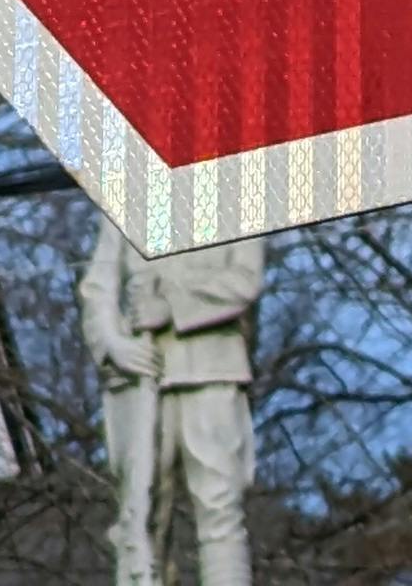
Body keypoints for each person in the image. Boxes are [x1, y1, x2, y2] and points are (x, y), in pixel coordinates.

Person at [80, 209, 266, 586]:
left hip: (212, 370)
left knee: (219, 508)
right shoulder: (128, 200)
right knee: (142, 512)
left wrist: (174, 306)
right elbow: (97, 287)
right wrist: (114, 345)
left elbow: (245, 282)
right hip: (142, 376)